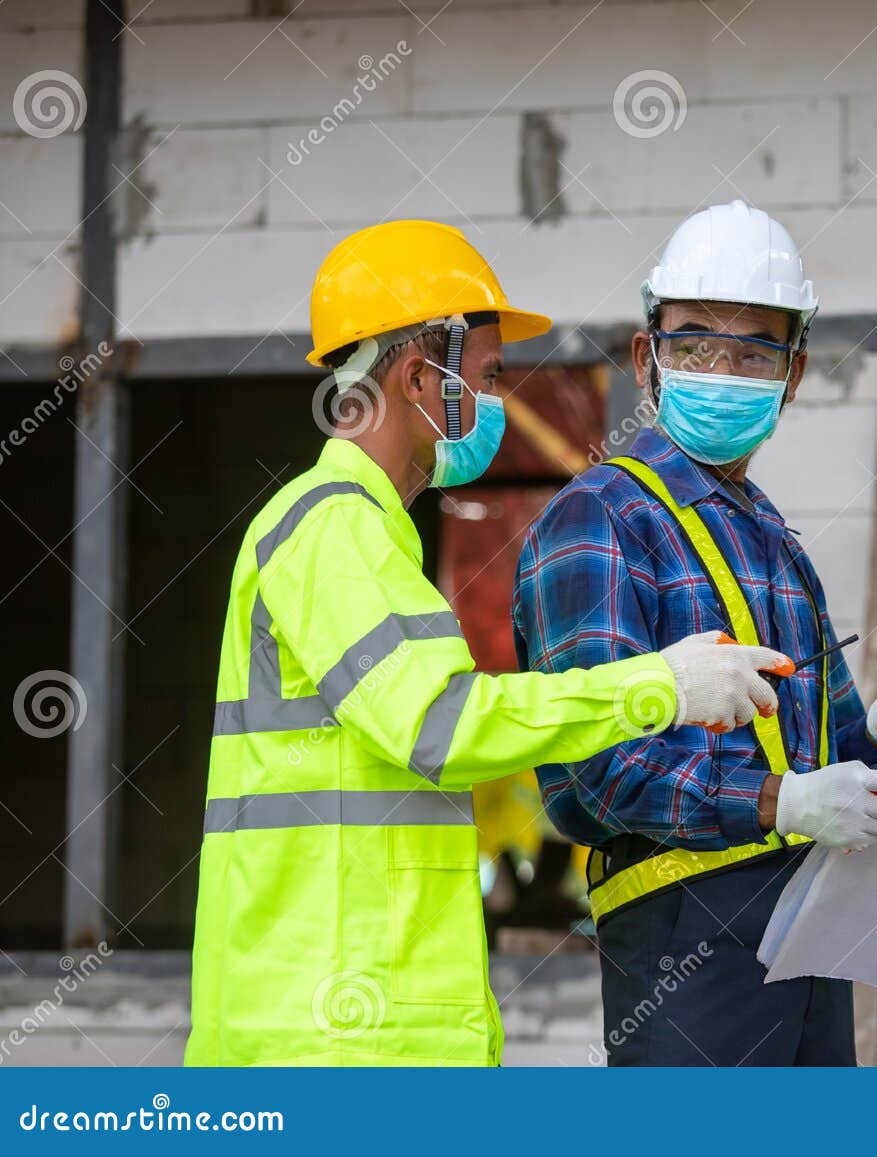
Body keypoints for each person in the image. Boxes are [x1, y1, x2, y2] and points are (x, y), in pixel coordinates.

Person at [186, 220, 790, 1067]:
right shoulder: (332, 529)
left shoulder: (367, 536)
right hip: (334, 1039)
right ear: (416, 374)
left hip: (357, 1023)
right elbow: (443, 724)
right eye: (492, 377)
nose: (502, 404)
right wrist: (658, 685)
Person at [514, 201, 877, 1066]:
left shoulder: (774, 543)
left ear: (794, 374)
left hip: (812, 929)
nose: (723, 367)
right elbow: (592, 770)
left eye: (754, 348)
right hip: (685, 940)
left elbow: (843, 750)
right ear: (647, 356)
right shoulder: (599, 518)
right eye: (695, 343)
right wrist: (781, 801)